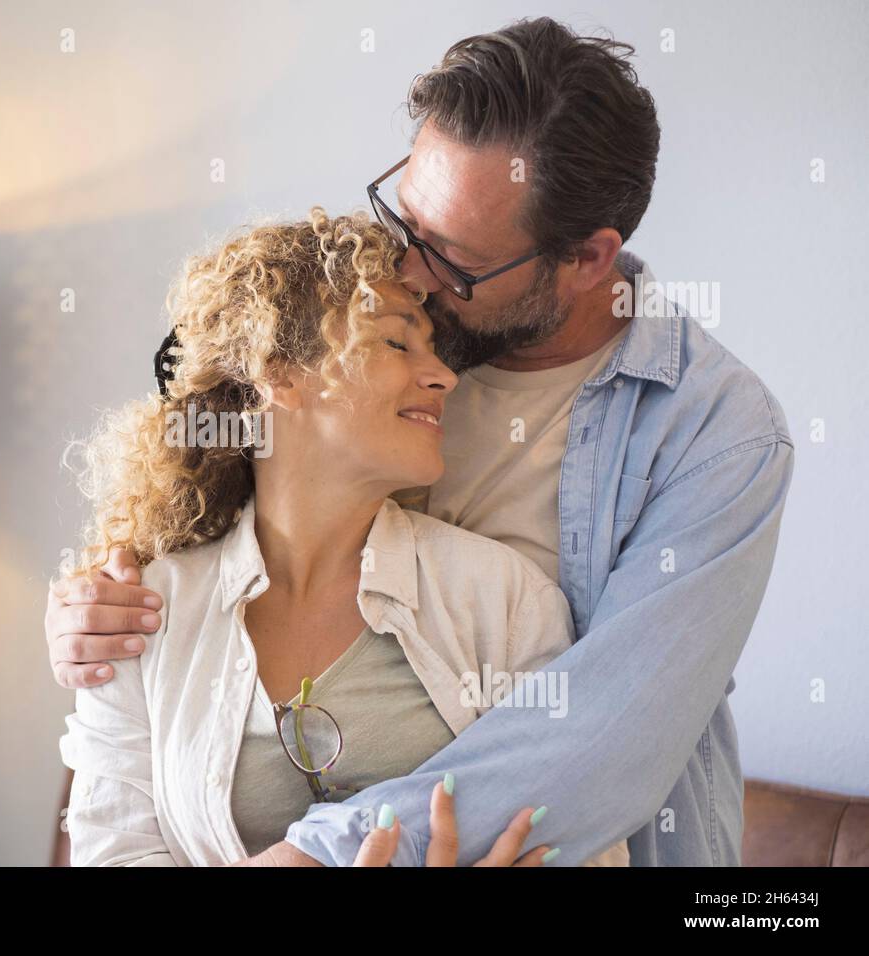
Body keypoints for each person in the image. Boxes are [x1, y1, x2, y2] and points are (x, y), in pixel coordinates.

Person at [48, 17, 794, 866]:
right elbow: (210, 399)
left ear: (587, 259)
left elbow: (605, 741)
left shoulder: (718, 437)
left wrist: (319, 857)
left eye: (451, 259)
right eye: (405, 222)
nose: (406, 272)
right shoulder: (392, 313)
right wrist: (105, 606)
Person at [58, 209, 628, 867]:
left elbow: (589, 838)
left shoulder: (502, 599)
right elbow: (111, 852)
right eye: (396, 343)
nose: (442, 375)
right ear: (279, 372)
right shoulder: (142, 614)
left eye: (434, 349)